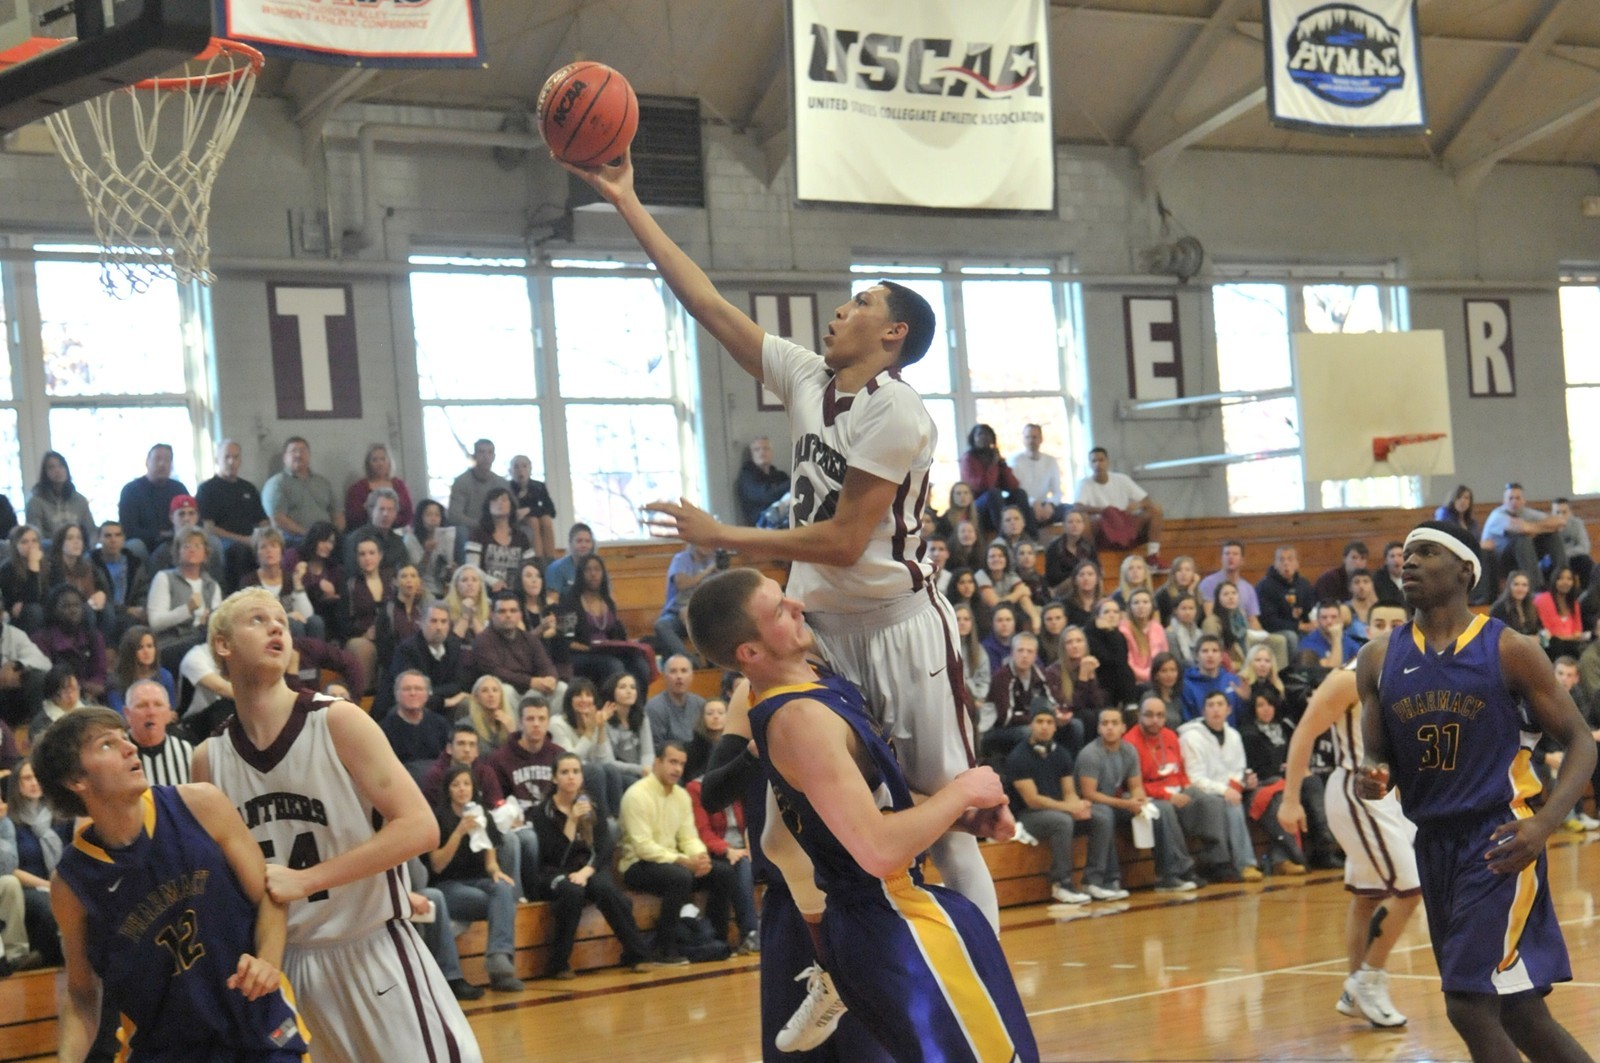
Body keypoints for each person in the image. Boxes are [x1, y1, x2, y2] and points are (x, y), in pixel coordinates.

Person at [574, 154, 998, 940]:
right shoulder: (807, 377)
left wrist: (723, 534)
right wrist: (629, 199)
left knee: (950, 821)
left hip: (901, 627)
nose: (839, 311)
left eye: (860, 303)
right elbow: (704, 302)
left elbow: (842, 540)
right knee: (782, 823)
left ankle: (987, 986)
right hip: (819, 634)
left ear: (894, 333)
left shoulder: (898, 413)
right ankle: (828, 967)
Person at [685, 568, 1038, 1061]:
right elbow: (876, 848)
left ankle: (829, 973)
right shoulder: (798, 718)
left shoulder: (817, 682)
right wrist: (959, 793)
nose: (798, 607)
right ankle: (828, 974)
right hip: (887, 918)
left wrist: (957, 818)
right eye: (779, 610)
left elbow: (863, 809)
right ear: (749, 652)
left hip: (883, 915)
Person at [193, 588, 480, 1062]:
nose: (277, 628)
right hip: (287, 968)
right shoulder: (209, 760)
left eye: (282, 621)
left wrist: (308, 879)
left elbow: (419, 828)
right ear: (222, 645)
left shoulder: (338, 721)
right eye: (258, 619)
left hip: (370, 950)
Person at [1357, 520, 1595, 1062]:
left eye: (1425, 552)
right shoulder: (1377, 658)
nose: (1408, 560)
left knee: (1468, 1004)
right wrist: (1371, 776)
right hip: (1434, 845)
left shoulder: (1511, 649)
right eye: (1405, 552)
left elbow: (1583, 744)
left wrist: (1544, 823)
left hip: (1499, 843)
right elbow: (1379, 760)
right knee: (1521, 1014)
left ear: (1466, 571)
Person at [31, 707, 311, 1061]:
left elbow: (270, 895)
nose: (129, 747)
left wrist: (268, 961)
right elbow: (83, 993)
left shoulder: (200, 804)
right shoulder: (72, 884)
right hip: (167, 1049)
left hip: (258, 1027)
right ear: (76, 781)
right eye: (106, 744)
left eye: (123, 736)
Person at [1278, 601, 1422, 1029]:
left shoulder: (1411, 673)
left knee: (1369, 896)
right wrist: (1289, 800)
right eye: (1379, 623)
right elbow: (1304, 733)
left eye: (1397, 623)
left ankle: (1354, 985)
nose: (1389, 629)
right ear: (1365, 628)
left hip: (1388, 795)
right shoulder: (1349, 677)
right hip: (1358, 791)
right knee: (1412, 889)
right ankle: (1370, 979)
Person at [530, 752, 662, 977]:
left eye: (575, 772)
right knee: (572, 893)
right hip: (555, 872)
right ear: (554, 779)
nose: (571, 777)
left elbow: (605, 847)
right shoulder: (543, 812)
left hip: (587, 867)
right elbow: (555, 856)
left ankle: (636, 954)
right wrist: (571, 820)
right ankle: (558, 964)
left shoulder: (591, 806)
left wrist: (587, 871)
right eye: (565, 772)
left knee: (607, 889)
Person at [617, 741, 735, 962]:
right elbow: (643, 847)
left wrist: (700, 857)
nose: (677, 769)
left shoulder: (681, 795)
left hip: (673, 861)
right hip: (637, 865)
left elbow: (688, 837)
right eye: (672, 762)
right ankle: (665, 949)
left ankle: (715, 941)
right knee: (679, 878)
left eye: (681, 764)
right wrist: (682, 860)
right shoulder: (636, 795)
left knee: (723, 873)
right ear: (657, 762)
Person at [1077, 705, 1201, 897]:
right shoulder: (1090, 754)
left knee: (1162, 808)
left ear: (1123, 728)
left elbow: (1135, 785)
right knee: (1105, 815)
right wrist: (1127, 804)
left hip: (1118, 803)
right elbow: (1089, 794)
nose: (1109, 727)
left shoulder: (1129, 751)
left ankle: (1168, 875)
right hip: (1093, 806)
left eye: (1114, 723)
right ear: (1099, 728)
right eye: (1105, 723)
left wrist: (1140, 799)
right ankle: (1107, 880)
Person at [427, 763, 524, 992]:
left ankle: (498, 957)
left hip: (478, 882)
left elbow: (490, 858)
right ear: (448, 789)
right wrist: (459, 831)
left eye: (466, 784)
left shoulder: (481, 814)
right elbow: (437, 865)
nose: (462, 789)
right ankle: (499, 969)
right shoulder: (438, 818)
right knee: (501, 903)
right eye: (456, 785)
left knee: (503, 889)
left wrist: (496, 872)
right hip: (448, 886)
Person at [1124, 696, 1223, 886]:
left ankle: (1217, 863)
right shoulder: (1130, 743)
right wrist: (1168, 796)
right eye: (1149, 715)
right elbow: (1135, 785)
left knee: (1210, 801)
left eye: (1160, 715)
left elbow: (1181, 769)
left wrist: (1187, 786)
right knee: (1165, 809)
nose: (1155, 720)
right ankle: (1179, 870)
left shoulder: (1170, 735)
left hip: (1175, 788)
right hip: (1147, 795)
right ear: (1139, 716)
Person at [1002, 706, 1092, 903]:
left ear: (1055, 727)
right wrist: (1070, 808)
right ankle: (1062, 883)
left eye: (1049, 722)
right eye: (1039, 721)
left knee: (1100, 814)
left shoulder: (1061, 753)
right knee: (1062, 821)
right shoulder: (1018, 757)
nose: (1044, 726)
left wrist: (1079, 806)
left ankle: (1097, 879)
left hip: (1056, 810)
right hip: (1026, 817)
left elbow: (1069, 792)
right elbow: (1033, 800)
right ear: (1030, 725)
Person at [1177, 691, 1265, 882]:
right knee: (1231, 805)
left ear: (1229, 709)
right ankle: (1245, 863)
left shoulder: (1233, 735)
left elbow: (1238, 768)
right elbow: (1194, 778)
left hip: (1231, 791)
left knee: (1263, 794)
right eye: (1210, 705)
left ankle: (1280, 856)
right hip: (1202, 793)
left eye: (1220, 705)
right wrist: (1224, 790)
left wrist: (1245, 781)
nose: (1215, 709)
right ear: (1203, 710)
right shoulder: (1190, 737)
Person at [1237, 686, 1309, 874]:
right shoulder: (1248, 734)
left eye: (1269, 704)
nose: (1266, 709)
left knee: (1308, 786)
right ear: (1253, 708)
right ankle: (1294, 856)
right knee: (1280, 798)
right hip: (1256, 789)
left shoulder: (1284, 729)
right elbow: (1257, 769)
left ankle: (1284, 859)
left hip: (1280, 783)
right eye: (1260, 705)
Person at [687, 772, 760, 955]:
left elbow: (750, 824)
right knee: (742, 865)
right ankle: (750, 933)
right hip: (717, 851)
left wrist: (752, 846)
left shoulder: (737, 786)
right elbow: (702, 832)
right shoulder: (697, 789)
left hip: (741, 849)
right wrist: (728, 850)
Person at [197, 438, 271, 589]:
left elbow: (263, 521)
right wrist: (245, 540)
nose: (231, 461)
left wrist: (266, 538)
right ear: (217, 459)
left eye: (236, 457)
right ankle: (240, 597)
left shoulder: (248, 488)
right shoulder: (207, 489)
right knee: (240, 551)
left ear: (240, 460)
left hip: (252, 539)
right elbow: (209, 528)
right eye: (227, 457)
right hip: (223, 542)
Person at [146, 527, 224, 672]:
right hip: (172, 644)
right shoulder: (164, 578)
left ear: (205, 553)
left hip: (203, 641)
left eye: (197, 546)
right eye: (186, 546)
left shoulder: (212, 585)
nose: (192, 550)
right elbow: (155, 623)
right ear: (178, 551)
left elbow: (218, 625)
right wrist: (187, 609)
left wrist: (209, 621)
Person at [1074, 446, 1164, 568]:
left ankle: (1152, 556)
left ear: (1107, 462)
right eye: (1094, 461)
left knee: (1155, 510)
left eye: (1101, 460)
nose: (1098, 464)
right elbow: (1077, 507)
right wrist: (1105, 510)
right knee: (1082, 519)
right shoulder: (1084, 483)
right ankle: (1092, 559)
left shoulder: (1122, 479)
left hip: (1125, 523)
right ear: (1089, 464)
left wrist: (1137, 505)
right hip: (1102, 529)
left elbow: (1146, 500)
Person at [381, 601, 470, 718]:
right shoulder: (407, 650)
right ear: (421, 623)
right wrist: (445, 701)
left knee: (467, 704)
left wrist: (430, 691)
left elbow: (458, 684)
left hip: (438, 704)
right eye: (433, 621)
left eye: (444, 622)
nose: (439, 627)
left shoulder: (453, 646)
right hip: (407, 706)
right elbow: (411, 693)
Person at [984, 631, 1060, 761]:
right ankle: (1025, 771)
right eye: (1020, 650)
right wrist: (1034, 721)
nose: (1024, 655)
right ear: (1012, 653)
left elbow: (1052, 702)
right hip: (1000, 729)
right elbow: (1005, 717)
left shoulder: (1040, 674)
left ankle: (1060, 767)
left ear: (1035, 655)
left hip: (1031, 721)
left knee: (1072, 726)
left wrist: (1057, 715)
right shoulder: (1002, 677)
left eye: (1029, 652)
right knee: (1028, 732)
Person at [1481, 483, 1566, 594]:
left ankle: (1561, 579)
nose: (1514, 501)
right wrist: (1543, 527)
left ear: (1523, 501)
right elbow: (1522, 528)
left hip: (1523, 555)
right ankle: (1536, 589)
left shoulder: (1525, 512)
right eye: (1510, 498)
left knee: (1553, 536)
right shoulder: (1497, 515)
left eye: (1517, 498)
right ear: (1504, 501)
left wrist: (1533, 529)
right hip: (1499, 560)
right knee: (1523, 539)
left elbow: (1560, 522)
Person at [472, 591, 559, 700]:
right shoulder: (483, 640)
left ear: (520, 615)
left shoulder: (529, 638)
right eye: (502, 611)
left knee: (561, 688)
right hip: (505, 692)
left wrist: (551, 678)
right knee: (504, 689)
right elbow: (496, 672)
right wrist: (530, 682)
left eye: (513, 611)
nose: (508, 615)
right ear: (492, 614)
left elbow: (545, 664)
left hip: (532, 690)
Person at [31, 584, 107, 702]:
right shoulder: (41, 639)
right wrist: (82, 687)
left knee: (113, 685)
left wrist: (94, 688)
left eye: (77, 605)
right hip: (58, 697)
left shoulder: (94, 636)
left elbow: (100, 672)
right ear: (54, 610)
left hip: (92, 695)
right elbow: (48, 678)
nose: (73, 610)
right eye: (66, 606)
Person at [261, 437, 343, 539]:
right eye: (293, 451)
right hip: (296, 539)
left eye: (303, 451)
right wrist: (309, 536)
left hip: (326, 539)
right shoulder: (276, 484)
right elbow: (278, 519)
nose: (298, 455)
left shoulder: (323, 482)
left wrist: (335, 535)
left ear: (309, 456)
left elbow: (338, 514)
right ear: (284, 457)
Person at [118, 443, 189, 559]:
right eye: (157, 459)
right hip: (145, 544)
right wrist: (160, 535)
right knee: (135, 546)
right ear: (147, 462)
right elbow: (128, 528)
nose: (162, 464)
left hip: (176, 540)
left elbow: (191, 518)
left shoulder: (179, 488)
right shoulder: (130, 490)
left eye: (167, 460)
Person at [960, 423, 1031, 538]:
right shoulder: (968, 458)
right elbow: (984, 486)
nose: (984, 437)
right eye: (980, 434)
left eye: (987, 434)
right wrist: (993, 464)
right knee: (993, 494)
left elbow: (1013, 485)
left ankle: (1030, 537)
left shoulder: (994, 457)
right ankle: (1005, 537)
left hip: (996, 505)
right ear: (973, 439)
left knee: (1020, 494)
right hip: (977, 507)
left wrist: (1002, 464)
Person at [377, 670, 454, 775]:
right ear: (396, 694)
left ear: (427, 695)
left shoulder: (441, 724)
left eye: (418, 689)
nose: (412, 693)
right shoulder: (383, 730)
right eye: (406, 689)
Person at [655, 542, 718, 663]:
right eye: (702, 541)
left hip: (704, 614)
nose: (707, 545)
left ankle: (716, 666)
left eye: (709, 541)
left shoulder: (717, 561)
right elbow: (682, 584)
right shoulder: (682, 559)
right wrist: (707, 571)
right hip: (676, 613)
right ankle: (689, 662)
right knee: (662, 625)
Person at [124, 676, 193, 785]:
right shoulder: (117, 754)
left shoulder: (188, 752)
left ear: (169, 713)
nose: (151, 712)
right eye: (142, 705)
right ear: (127, 714)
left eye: (158, 705)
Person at [464, 487, 534, 594]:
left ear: (511, 506)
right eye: (495, 500)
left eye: (504, 500)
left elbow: (531, 567)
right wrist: (493, 582)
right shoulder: (477, 534)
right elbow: (472, 568)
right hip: (486, 592)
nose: (499, 503)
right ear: (488, 506)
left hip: (515, 593)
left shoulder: (521, 537)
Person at [1256, 546, 1316, 658]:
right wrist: (1297, 626)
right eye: (1281, 559)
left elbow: (1309, 610)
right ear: (1275, 563)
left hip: (1300, 627)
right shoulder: (1265, 586)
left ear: (1297, 563)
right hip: (1275, 631)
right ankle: (1295, 671)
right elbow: (1268, 621)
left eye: (1290, 559)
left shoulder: (1304, 584)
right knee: (1291, 637)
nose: (1286, 563)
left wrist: (1313, 623)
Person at [26, 450, 95, 546]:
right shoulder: (36, 502)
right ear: (45, 473)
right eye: (51, 467)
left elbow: (92, 532)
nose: (57, 470)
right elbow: (36, 537)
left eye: (61, 466)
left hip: (78, 552)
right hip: (50, 554)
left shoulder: (80, 500)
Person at [343, 443, 414, 533]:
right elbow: (354, 518)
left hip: (397, 532)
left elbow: (408, 514)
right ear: (368, 464)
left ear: (389, 462)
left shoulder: (399, 485)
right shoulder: (357, 489)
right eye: (375, 460)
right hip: (368, 534)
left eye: (383, 459)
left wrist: (390, 521)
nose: (379, 463)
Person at [105, 624, 174, 713]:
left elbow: (170, 711)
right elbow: (120, 716)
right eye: (140, 647)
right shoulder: (116, 682)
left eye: (150, 646)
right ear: (130, 651)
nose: (146, 652)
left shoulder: (165, 676)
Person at [342, 487, 409, 576]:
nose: (386, 514)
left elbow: (404, 571)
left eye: (390, 509)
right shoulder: (356, 538)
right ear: (371, 511)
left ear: (396, 513)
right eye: (381, 509)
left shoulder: (398, 541)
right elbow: (353, 573)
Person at [646, 653, 706, 750]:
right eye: (673, 671)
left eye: (684, 671)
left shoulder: (700, 704)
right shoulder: (654, 707)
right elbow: (656, 747)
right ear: (665, 677)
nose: (679, 676)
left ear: (691, 676)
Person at [92, 520, 144, 631]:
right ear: (99, 538)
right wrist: (126, 610)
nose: (113, 540)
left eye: (118, 535)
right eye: (108, 536)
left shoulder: (135, 563)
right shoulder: (90, 564)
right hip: (104, 616)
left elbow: (144, 590)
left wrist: (142, 609)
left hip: (134, 615)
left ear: (123, 538)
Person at [448, 438, 509, 531]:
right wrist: (481, 525)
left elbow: (510, 512)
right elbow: (454, 516)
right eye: (481, 452)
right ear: (474, 456)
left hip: (497, 531)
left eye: (490, 452)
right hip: (470, 531)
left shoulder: (502, 483)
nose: (486, 456)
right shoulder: (461, 482)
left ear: (494, 457)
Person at [404, 499, 458, 600]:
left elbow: (443, 577)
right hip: (419, 590)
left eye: (437, 515)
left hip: (441, 590)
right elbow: (416, 573)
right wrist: (427, 553)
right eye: (428, 515)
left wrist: (451, 571)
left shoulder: (445, 538)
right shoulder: (410, 540)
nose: (433, 519)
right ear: (420, 517)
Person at [506, 454, 556, 561]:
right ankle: (538, 560)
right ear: (510, 471)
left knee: (546, 520)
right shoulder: (507, 487)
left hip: (535, 518)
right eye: (516, 467)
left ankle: (550, 559)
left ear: (530, 469)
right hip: (515, 520)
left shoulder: (538, 486)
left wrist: (529, 510)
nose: (521, 470)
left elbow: (551, 510)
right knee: (533, 521)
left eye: (524, 466)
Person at [1013, 423, 1064, 528]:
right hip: (1025, 506)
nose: (1031, 441)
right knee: (1027, 514)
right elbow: (1015, 490)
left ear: (1041, 439)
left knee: (1071, 511)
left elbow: (1057, 491)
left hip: (1045, 506)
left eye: (1035, 437)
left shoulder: (1050, 461)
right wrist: (1033, 503)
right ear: (1023, 440)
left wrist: (1050, 505)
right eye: (1028, 437)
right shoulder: (1014, 460)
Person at [0, 524, 49, 633]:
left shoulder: (49, 564)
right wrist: (33, 567)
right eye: (24, 542)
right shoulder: (7, 569)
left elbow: (51, 594)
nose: (31, 545)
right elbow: (30, 599)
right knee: (34, 610)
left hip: (47, 607)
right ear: (15, 546)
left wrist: (24, 601)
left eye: (34, 541)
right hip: (23, 616)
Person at [1534, 565, 1586, 661]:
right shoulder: (1543, 599)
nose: (1565, 582)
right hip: (1551, 646)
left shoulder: (1574, 603)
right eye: (1561, 578)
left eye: (1569, 579)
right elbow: (1548, 632)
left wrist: (1568, 637)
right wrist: (1569, 637)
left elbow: (1578, 632)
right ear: (1554, 580)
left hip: (1571, 646)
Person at [736, 436, 789, 527]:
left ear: (771, 452)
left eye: (766, 449)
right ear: (751, 454)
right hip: (762, 529)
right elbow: (767, 495)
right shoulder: (747, 478)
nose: (762, 452)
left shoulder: (780, 476)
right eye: (757, 449)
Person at [1300, 599, 1363, 669]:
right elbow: (1329, 671)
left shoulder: (1347, 640)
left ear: (1340, 619)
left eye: (1334, 617)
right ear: (1318, 620)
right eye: (1324, 617)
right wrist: (1336, 640)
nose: (1329, 621)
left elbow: (1362, 660)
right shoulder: (1308, 643)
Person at [1548, 497, 1594, 589]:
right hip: (1553, 560)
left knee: (1586, 561)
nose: (1561, 515)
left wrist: (1563, 553)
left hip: (1572, 558)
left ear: (1570, 513)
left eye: (1564, 512)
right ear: (1552, 514)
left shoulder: (1577, 524)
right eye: (1557, 512)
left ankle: (1586, 594)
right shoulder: (1546, 525)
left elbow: (1585, 547)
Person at [543, 522, 596, 600]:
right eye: (579, 541)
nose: (584, 545)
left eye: (587, 541)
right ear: (570, 542)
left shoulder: (597, 568)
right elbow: (551, 603)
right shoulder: (556, 568)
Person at [1489, 570, 1541, 637]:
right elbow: (1502, 635)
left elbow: (1536, 630)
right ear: (1509, 587)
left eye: (1524, 585)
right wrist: (1528, 639)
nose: (1520, 589)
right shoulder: (1499, 608)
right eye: (1516, 584)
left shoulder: (1531, 607)